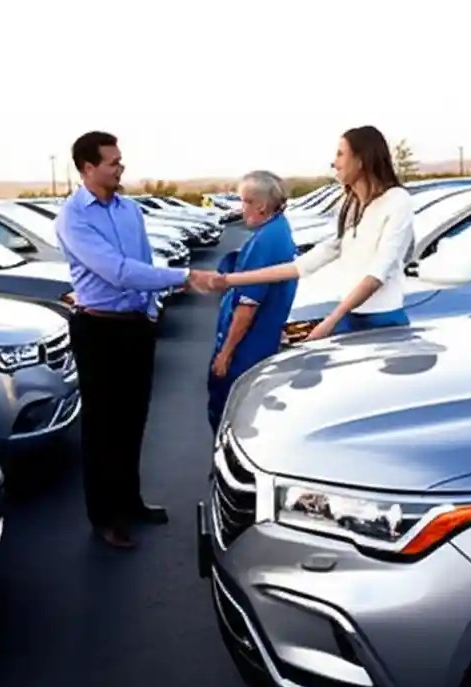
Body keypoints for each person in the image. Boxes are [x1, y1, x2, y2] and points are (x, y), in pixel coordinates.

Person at [56, 130, 217, 550]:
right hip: (100, 330)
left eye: (120, 160)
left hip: (134, 327)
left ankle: (130, 501)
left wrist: (149, 310)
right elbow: (119, 271)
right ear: (87, 168)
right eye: (112, 162)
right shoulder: (73, 217)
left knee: (133, 419)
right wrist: (185, 277)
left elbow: (143, 262)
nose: (120, 167)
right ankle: (104, 517)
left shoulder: (129, 210)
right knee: (102, 427)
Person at [213, 126, 415, 340]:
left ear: (361, 159)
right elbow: (305, 264)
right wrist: (230, 280)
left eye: (340, 154)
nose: (334, 163)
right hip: (351, 318)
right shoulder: (350, 205)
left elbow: (377, 275)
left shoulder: (397, 200)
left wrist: (331, 321)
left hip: (383, 322)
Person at [207, 171, 298, 434]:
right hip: (260, 342)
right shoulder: (276, 229)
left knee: (228, 415)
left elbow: (248, 306)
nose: (241, 208)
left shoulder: (266, 241)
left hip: (247, 350)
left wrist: (226, 353)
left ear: (261, 205)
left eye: (245, 201)